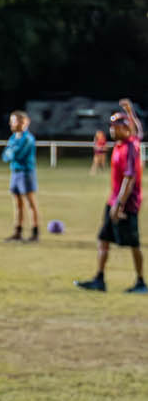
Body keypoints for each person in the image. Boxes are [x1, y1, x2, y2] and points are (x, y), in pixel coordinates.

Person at [76, 112, 145, 293]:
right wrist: (130, 111)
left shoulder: (131, 147)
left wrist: (119, 205)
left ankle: (140, 282)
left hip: (126, 205)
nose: (111, 129)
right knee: (103, 239)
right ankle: (99, 279)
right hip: (113, 201)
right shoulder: (121, 145)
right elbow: (140, 131)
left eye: (115, 126)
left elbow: (129, 179)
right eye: (111, 126)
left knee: (133, 244)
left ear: (125, 128)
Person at [1, 112, 40, 243]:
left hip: (26, 173)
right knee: (17, 204)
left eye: (13, 121)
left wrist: (10, 152)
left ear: (23, 122)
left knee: (30, 203)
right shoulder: (13, 138)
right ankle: (18, 231)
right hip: (15, 172)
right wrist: (10, 153)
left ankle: (35, 232)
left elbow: (17, 154)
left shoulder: (28, 138)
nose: (11, 124)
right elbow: (5, 155)